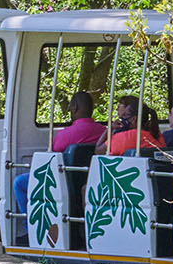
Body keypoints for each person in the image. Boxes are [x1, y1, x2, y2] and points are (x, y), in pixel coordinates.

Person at [13, 91, 109, 221]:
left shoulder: (64, 136)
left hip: (66, 182)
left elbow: (52, 159)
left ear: (74, 107)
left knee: (19, 182)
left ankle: (29, 229)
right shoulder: (104, 132)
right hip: (93, 181)